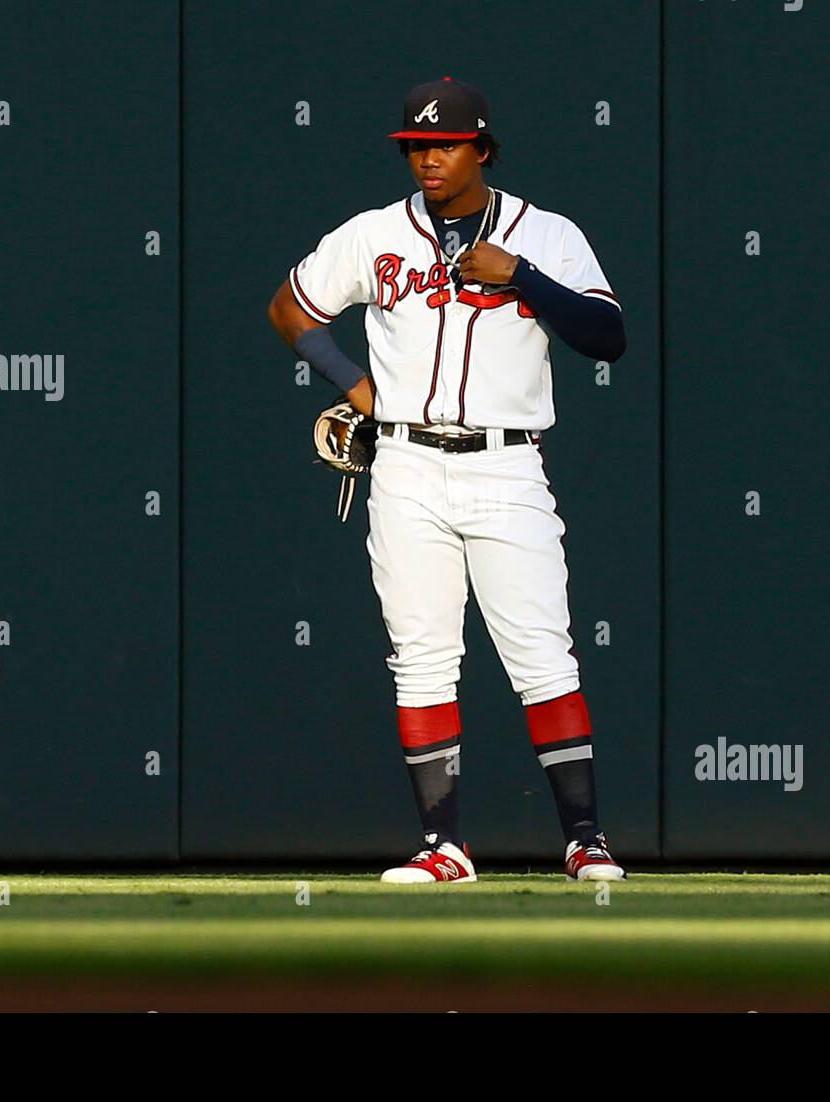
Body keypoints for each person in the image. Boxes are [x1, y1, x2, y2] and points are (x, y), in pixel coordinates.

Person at [268, 77, 627, 883]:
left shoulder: (548, 234)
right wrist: (358, 391)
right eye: (416, 146)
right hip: (406, 463)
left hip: (508, 461)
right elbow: (290, 309)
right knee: (422, 658)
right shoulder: (374, 233)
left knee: (543, 655)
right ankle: (443, 846)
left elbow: (608, 336)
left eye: (446, 144)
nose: (428, 157)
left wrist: (523, 276)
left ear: (483, 149)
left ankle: (585, 838)